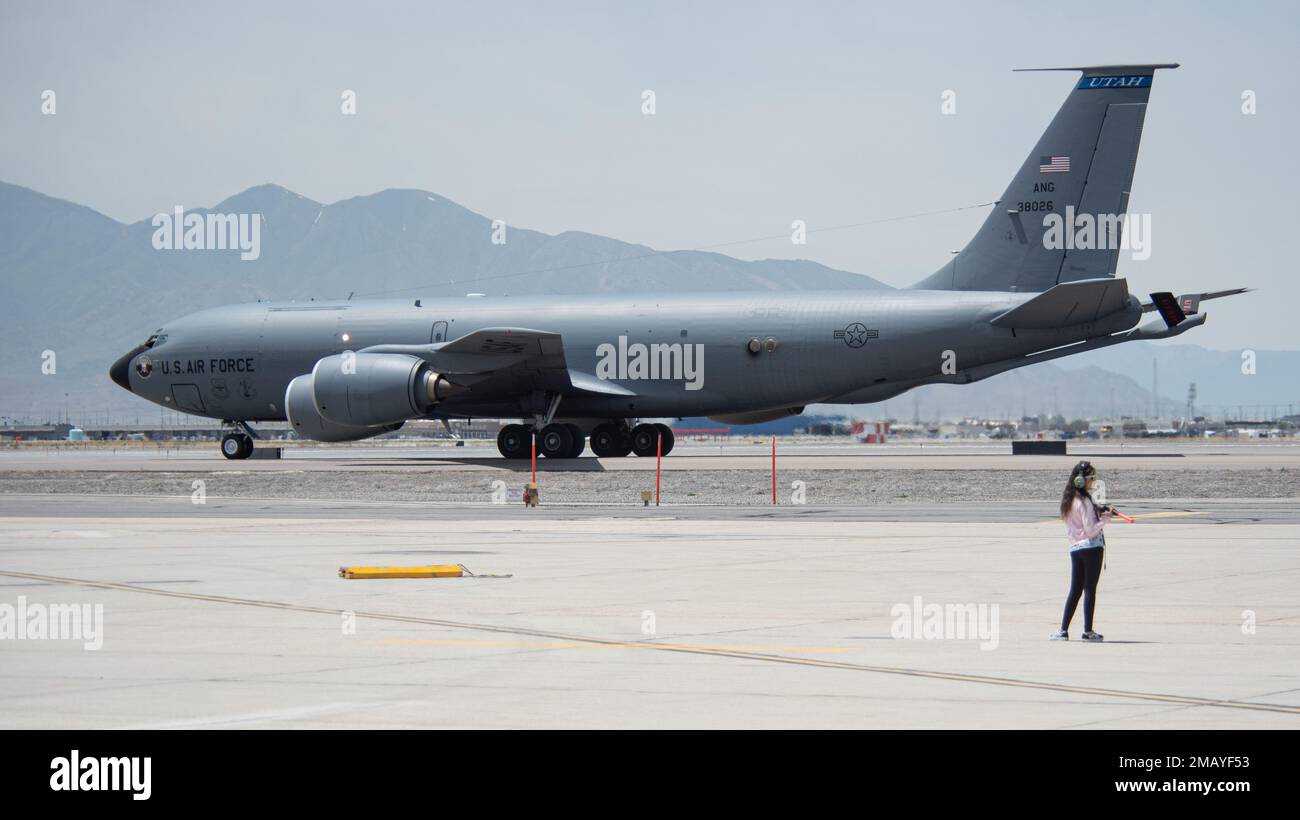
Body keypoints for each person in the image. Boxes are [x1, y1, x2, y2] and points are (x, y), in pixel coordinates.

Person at [1051, 460, 1118, 642]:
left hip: (1075, 549)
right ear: (1082, 481)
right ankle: (1088, 632)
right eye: (1091, 478)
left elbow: (1080, 521)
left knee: (1075, 590)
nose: (1094, 482)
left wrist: (1099, 510)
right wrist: (1106, 519)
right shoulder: (1085, 501)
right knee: (1089, 590)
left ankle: (1063, 630)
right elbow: (1090, 530)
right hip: (1091, 549)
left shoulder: (1068, 500)